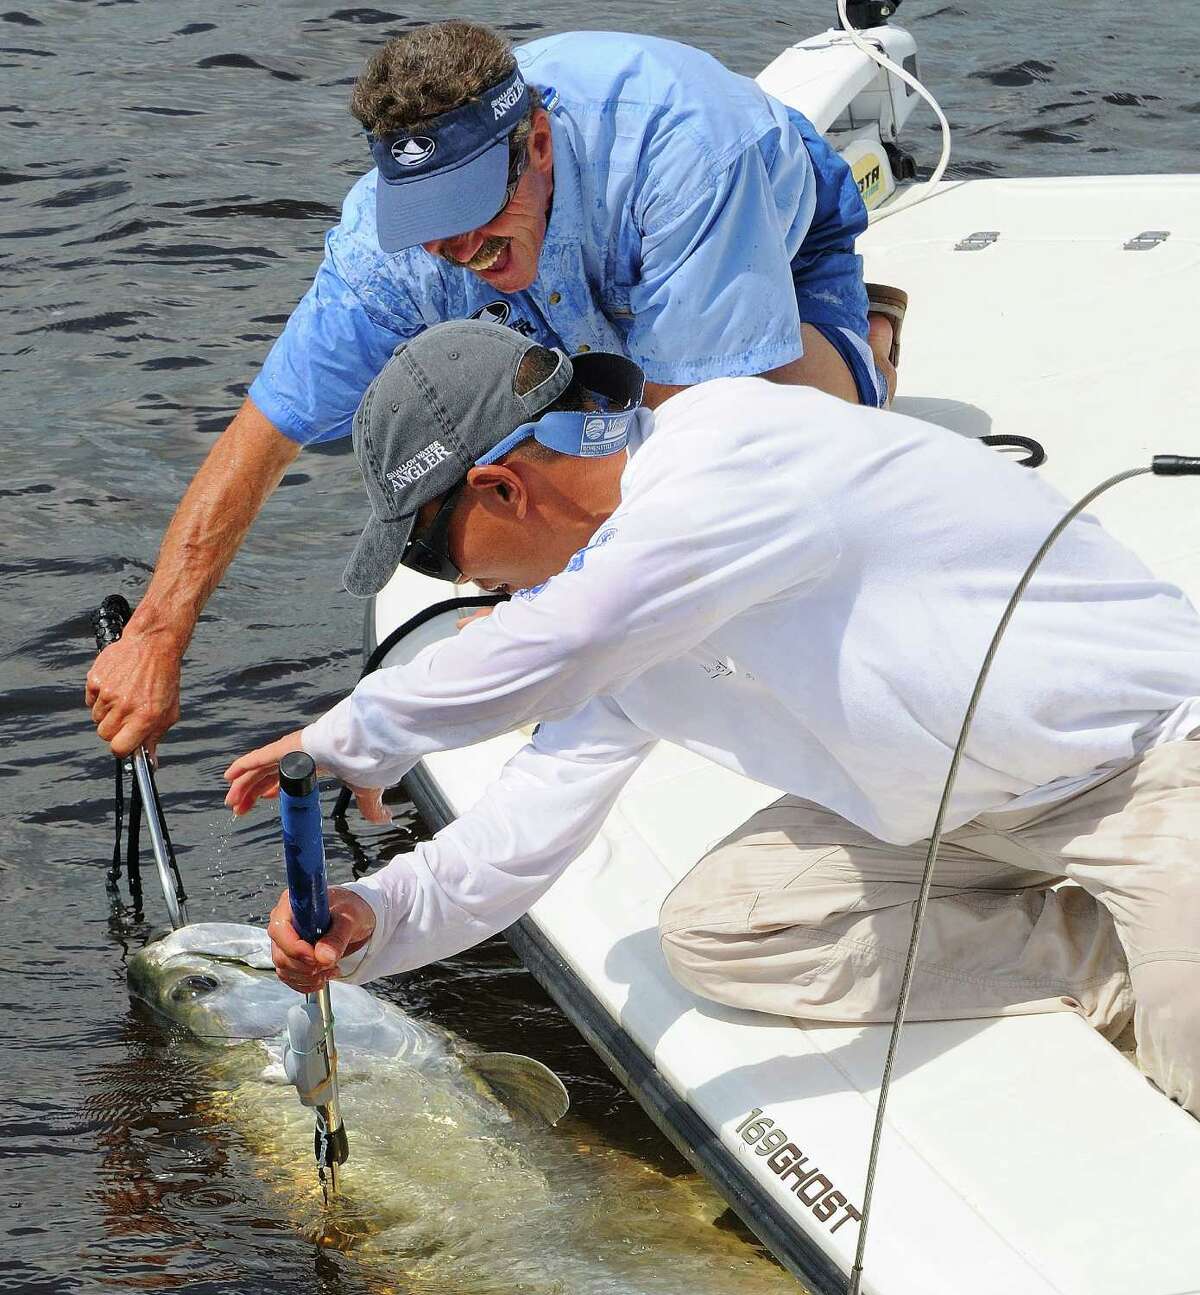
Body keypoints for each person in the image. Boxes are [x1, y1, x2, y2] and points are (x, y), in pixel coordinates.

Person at [225, 318, 1200, 1117]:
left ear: (501, 488)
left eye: (438, 553)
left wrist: (346, 739)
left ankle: (1171, 971)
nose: (461, 582)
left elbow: (575, 634)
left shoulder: (727, 454)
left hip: (1153, 763)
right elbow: (520, 834)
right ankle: (1114, 962)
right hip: (962, 806)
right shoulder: (613, 605)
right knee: (727, 930)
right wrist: (378, 920)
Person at [85, 20, 901, 761]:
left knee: (770, 451)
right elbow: (261, 437)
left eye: (477, 207)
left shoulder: (688, 150)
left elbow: (696, 454)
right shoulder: (392, 245)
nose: (459, 243)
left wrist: (553, 618)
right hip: (573, 290)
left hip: (775, 237)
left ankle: (865, 342)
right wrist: (158, 634)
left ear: (537, 143)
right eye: (432, 218)